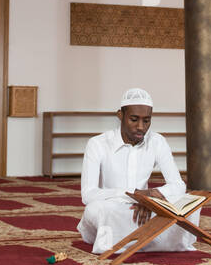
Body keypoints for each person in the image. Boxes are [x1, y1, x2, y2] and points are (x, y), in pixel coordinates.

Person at [77, 88, 200, 255]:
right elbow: (89, 194)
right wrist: (135, 195)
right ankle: (154, 240)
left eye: (147, 121)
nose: (141, 127)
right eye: (134, 120)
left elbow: (178, 185)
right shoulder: (97, 144)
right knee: (99, 210)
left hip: (147, 208)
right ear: (120, 115)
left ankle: (132, 240)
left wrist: (150, 199)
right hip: (114, 206)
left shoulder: (157, 141)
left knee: (189, 203)